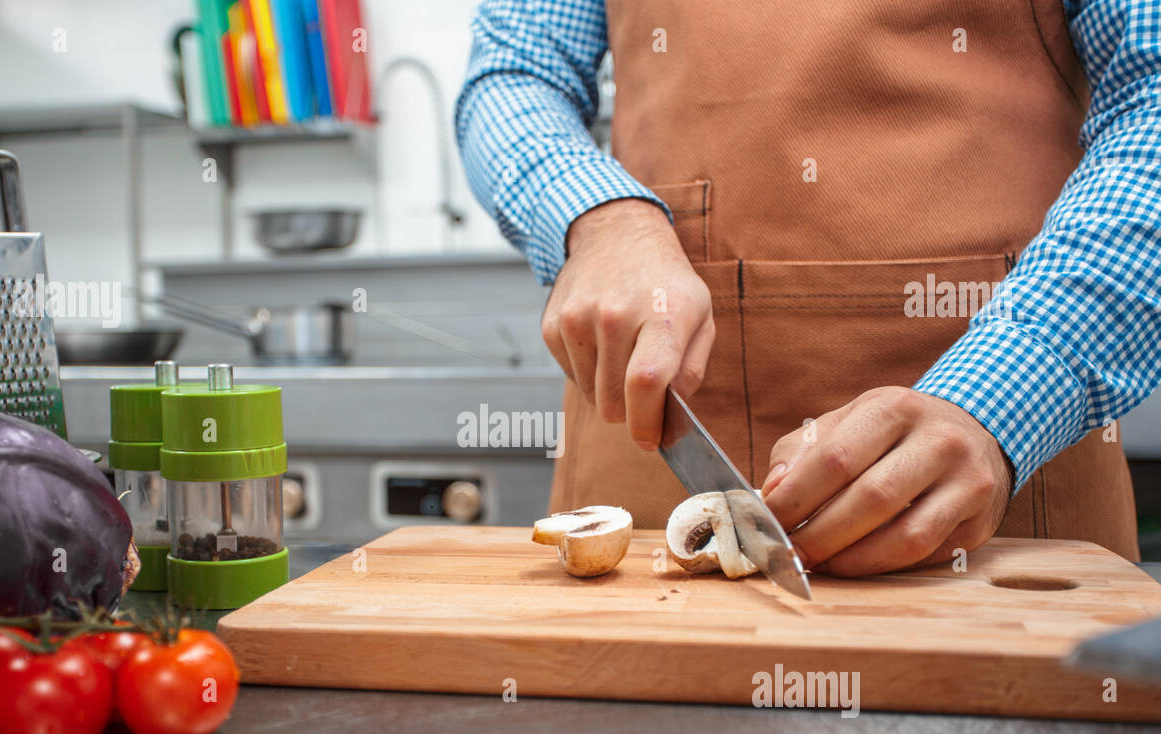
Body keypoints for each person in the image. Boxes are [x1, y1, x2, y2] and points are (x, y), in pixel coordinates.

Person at [455, 0, 1161, 575]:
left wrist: (1006, 392)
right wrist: (598, 217)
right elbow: (516, 71)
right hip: (653, 454)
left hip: (1010, 485)